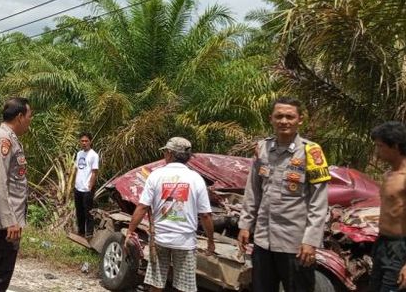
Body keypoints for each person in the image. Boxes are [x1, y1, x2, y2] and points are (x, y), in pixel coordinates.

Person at [237, 97, 330, 292]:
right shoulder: (262, 148)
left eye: (290, 116)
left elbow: (318, 202)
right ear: (271, 118)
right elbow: (253, 190)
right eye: (279, 116)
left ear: (300, 120)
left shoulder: (311, 152)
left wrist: (311, 241)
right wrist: (245, 225)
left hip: (295, 244)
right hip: (263, 240)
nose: (284, 121)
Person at [125, 137, 215, 292]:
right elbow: (205, 215)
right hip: (185, 242)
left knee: (156, 283)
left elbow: (142, 207)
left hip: (160, 239)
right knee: (184, 287)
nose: (164, 154)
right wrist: (210, 241)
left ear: (170, 154)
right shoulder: (196, 179)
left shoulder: (156, 176)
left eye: (165, 151)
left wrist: (130, 231)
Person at [0, 97, 33, 292]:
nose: (29, 121)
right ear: (19, 117)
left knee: (1, 279)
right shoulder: (2, 139)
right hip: (4, 224)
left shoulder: (10, 138)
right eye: (29, 116)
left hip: (10, 223)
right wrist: (9, 220)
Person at [369, 121, 406, 291]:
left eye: (380, 146)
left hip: (400, 247)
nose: (377, 151)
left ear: (394, 146)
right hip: (382, 244)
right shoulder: (387, 175)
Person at [73, 131, 99, 238]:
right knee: (79, 212)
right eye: (82, 141)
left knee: (88, 213)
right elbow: (77, 169)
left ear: (90, 141)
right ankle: (81, 232)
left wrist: (90, 186)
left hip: (87, 189)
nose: (84, 143)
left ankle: (89, 233)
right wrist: (74, 183)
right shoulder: (79, 154)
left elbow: (94, 172)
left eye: (86, 141)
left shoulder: (94, 155)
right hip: (78, 188)